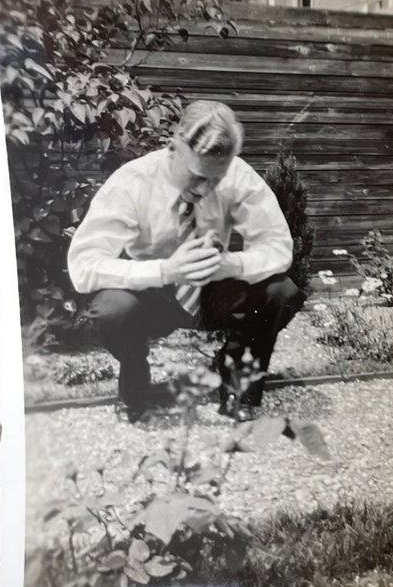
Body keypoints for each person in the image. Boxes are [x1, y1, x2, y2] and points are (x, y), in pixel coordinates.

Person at [67, 100, 299, 422]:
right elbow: (83, 266)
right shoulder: (133, 181)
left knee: (281, 292)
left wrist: (230, 264)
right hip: (155, 296)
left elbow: (278, 247)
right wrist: (164, 270)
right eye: (196, 176)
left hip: (213, 291)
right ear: (173, 146)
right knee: (112, 309)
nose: (204, 189)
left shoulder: (239, 176)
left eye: (216, 180)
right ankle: (135, 379)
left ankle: (236, 386)